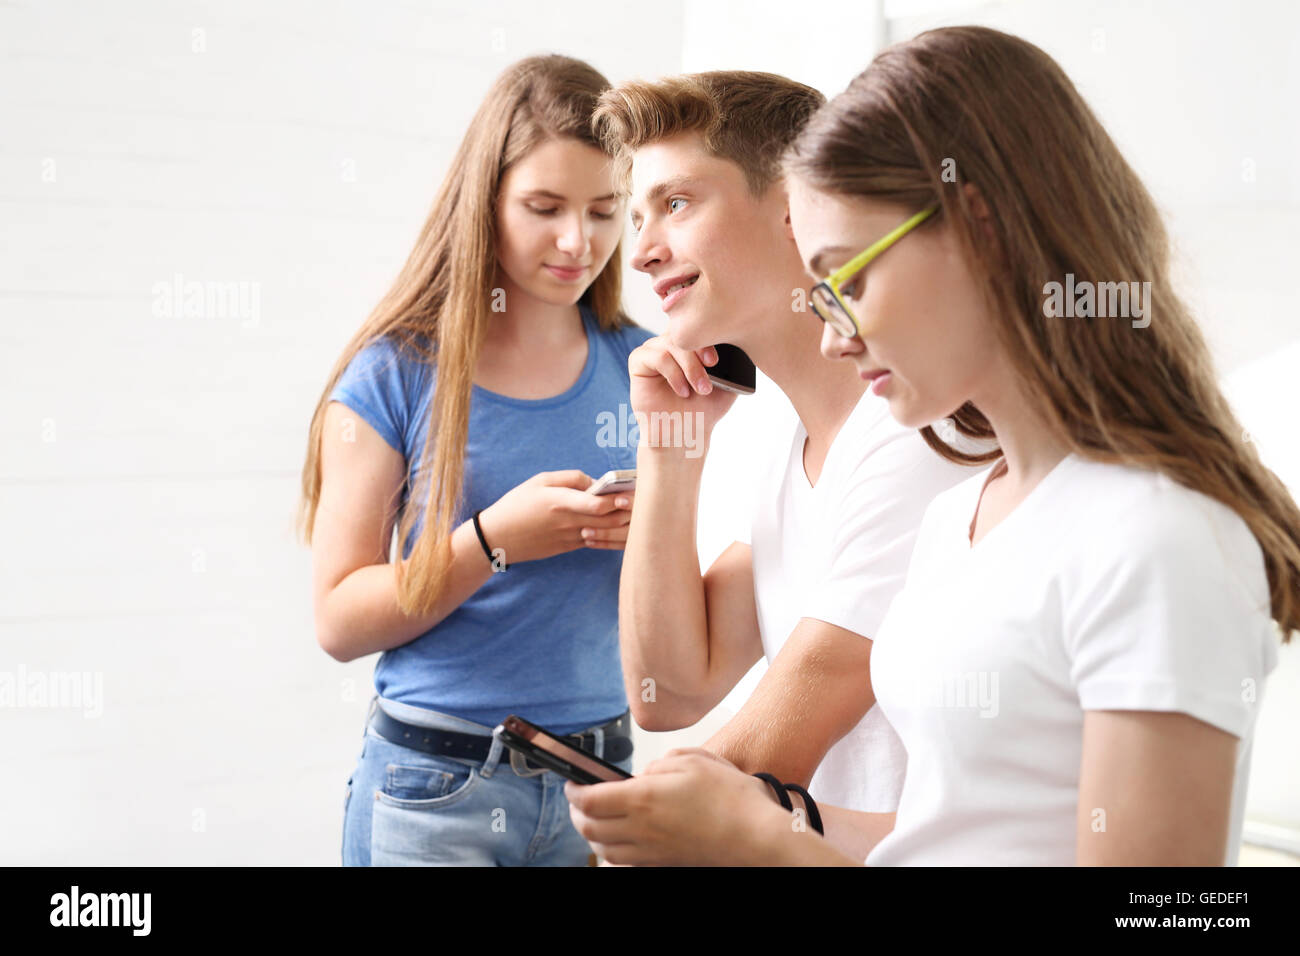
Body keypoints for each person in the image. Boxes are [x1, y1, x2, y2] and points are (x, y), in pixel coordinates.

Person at [564, 26, 1300, 866]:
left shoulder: (1155, 535)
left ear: (976, 230)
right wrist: (769, 825)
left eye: (849, 280)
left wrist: (763, 843)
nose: (834, 332)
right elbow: (945, 836)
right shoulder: (963, 516)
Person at [588, 70, 987, 856]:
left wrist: (638, 820)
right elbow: (666, 691)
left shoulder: (915, 436)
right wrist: (669, 444)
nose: (640, 253)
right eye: (637, 217)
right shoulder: (786, 439)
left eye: (676, 203)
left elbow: (764, 758)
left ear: (792, 208)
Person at [297, 54, 654, 866]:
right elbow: (338, 620)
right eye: (543, 207)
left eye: (605, 211)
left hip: (598, 793)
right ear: (484, 202)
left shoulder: (648, 371)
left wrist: (657, 532)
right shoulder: (395, 375)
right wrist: (490, 542)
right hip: (434, 794)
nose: (578, 241)